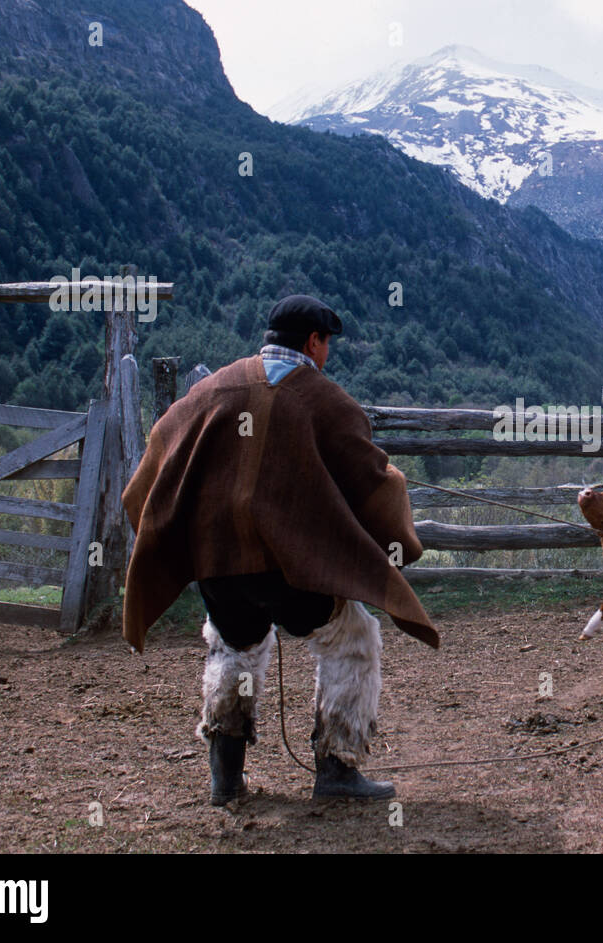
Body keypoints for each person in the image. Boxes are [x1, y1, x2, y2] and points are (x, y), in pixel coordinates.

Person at [121, 294, 438, 804]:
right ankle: (336, 770)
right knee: (352, 636)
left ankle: (225, 778)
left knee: (234, 645)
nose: (328, 353)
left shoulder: (211, 391)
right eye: (327, 343)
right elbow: (374, 481)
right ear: (313, 342)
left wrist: (176, 538)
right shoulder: (325, 401)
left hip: (219, 566)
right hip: (292, 569)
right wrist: (400, 531)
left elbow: (159, 451)